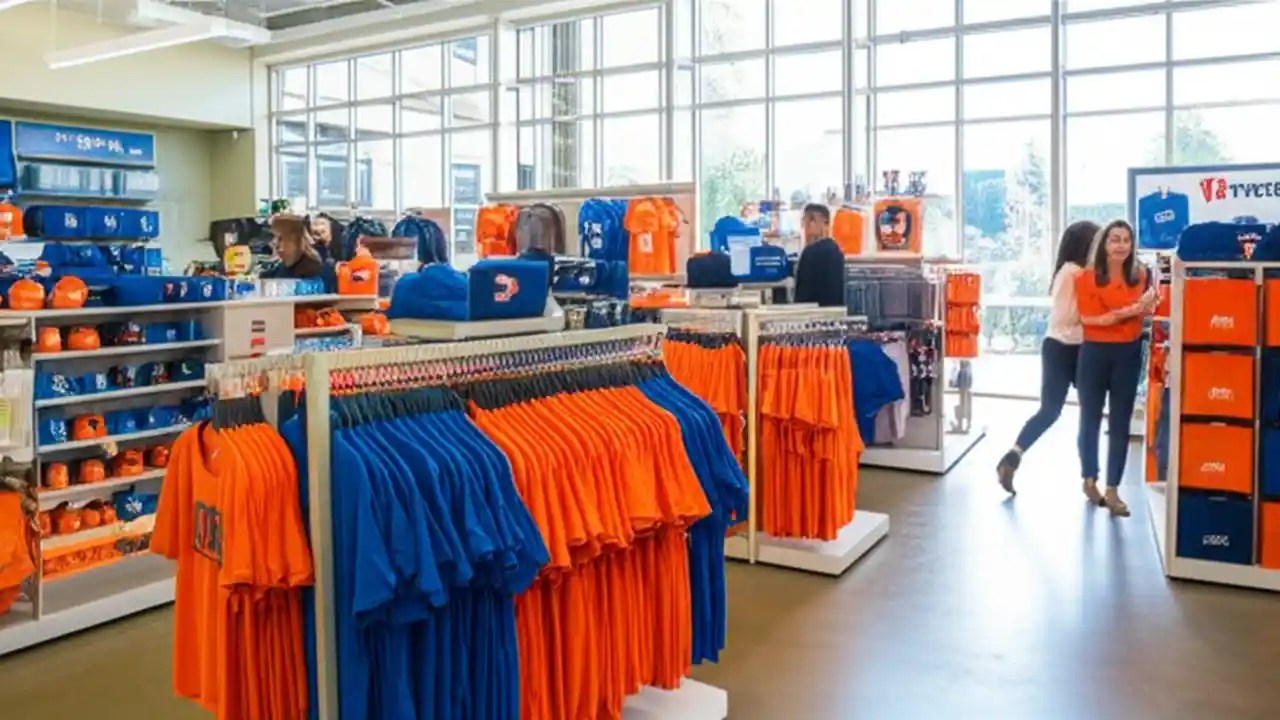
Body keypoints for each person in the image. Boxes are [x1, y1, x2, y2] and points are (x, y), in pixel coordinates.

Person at [996, 220, 1100, 494]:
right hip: (1064, 347)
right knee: (1053, 411)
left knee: (1077, 412)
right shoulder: (1071, 273)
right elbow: (1066, 316)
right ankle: (1014, 456)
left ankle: (1089, 478)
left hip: (1071, 347)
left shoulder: (1079, 273)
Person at [1074, 219, 1157, 517]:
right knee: (1090, 420)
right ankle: (1089, 479)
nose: (1122, 245)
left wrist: (1129, 313)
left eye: (1126, 240)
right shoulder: (1085, 278)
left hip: (1128, 353)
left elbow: (1145, 311)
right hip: (1094, 353)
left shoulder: (1142, 275)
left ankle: (1112, 489)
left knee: (1120, 423)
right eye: (1115, 239)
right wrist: (1132, 311)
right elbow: (1091, 319)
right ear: (1104, 244)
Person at [793, 203, 845, 307]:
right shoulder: (835, 249)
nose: (805, 227)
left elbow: (803, 295)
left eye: (807, 221)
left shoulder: (811, 253)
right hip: (835, 314)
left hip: (812, 314)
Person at [262, 213, 328, 282]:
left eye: (280, 238)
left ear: (294, 240)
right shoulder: (285, 266)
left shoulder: (313, 272)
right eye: (273, 237)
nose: (273, 243)